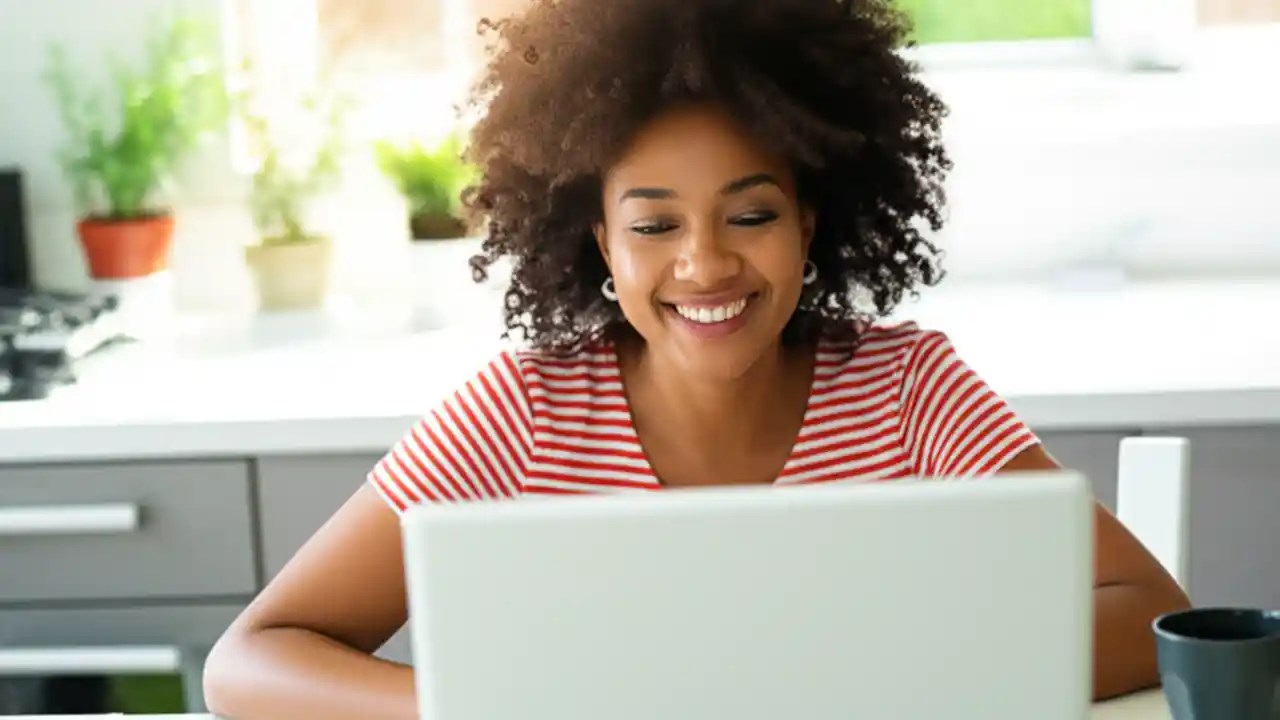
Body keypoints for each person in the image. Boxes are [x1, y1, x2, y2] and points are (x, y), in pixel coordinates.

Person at [203, 0, 1191, 716]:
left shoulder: (908, 394)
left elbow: (1151, 613)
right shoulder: (523, 415)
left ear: (810, 221)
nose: (705, 262)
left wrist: (860, 684)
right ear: (598, 241)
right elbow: (249, 662)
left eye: (750, 214)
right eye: (653, 224)